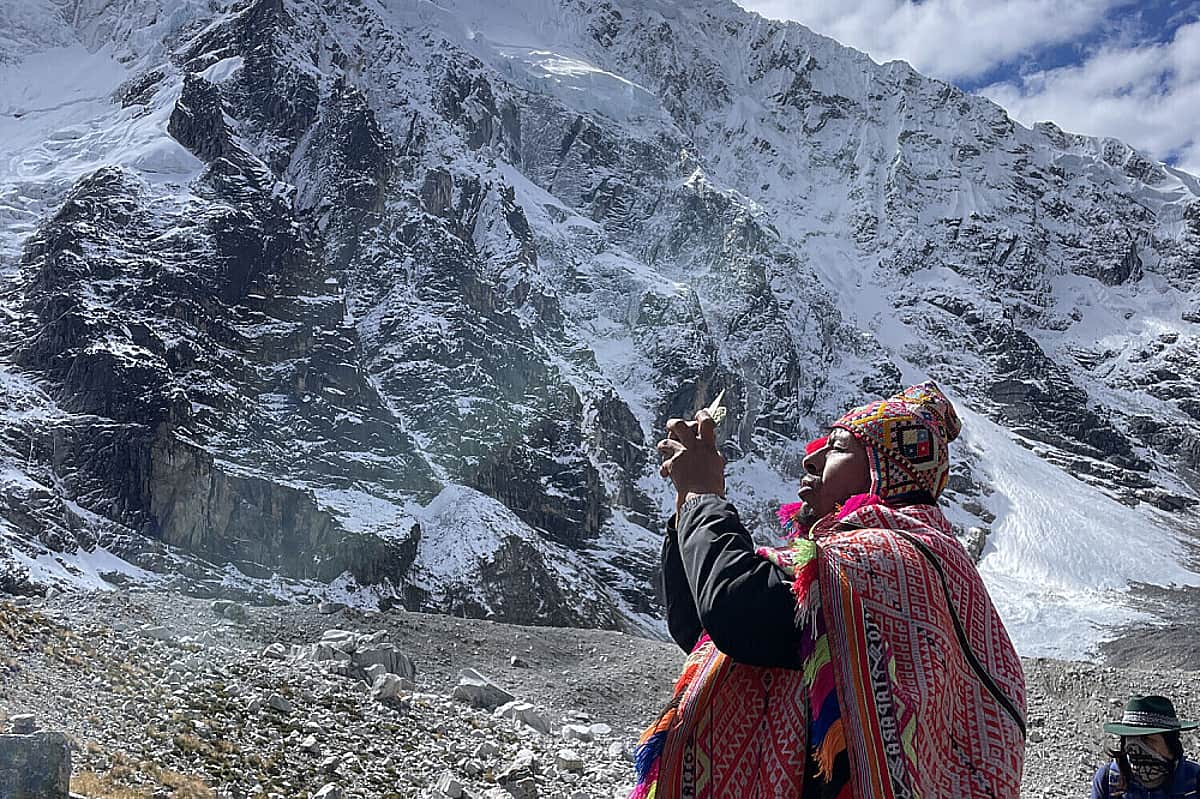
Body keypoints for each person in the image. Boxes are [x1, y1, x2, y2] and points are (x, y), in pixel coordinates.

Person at [631, 381, 1026, 798]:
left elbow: (737, 611)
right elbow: (699, 627)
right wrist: (688, 506)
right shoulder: (864, 562)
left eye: (836, 447)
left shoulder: (889, 559)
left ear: (882, 468)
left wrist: (703, 495)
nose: (811, 458)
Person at [1091, 695, 1200, 798]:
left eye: (1147, 739)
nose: (1136, 748)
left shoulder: (1195, 780)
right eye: (1131, 738)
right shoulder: (1108, 779)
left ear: (1170, 745)